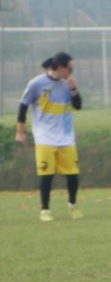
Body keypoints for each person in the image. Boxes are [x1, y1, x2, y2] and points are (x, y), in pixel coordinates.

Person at [16, 52, 83, 222]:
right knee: (46, 175)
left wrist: (74, 89)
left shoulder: (67, 83)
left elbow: (78, 106)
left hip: (66, 136)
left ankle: (73, 205)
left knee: (72, 174)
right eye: (70, 68)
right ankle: (45, 210)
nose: (71, 71)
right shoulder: (36, 83)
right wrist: (20, 131)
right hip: (44, 137)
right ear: (60, 68)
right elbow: (23, 106)